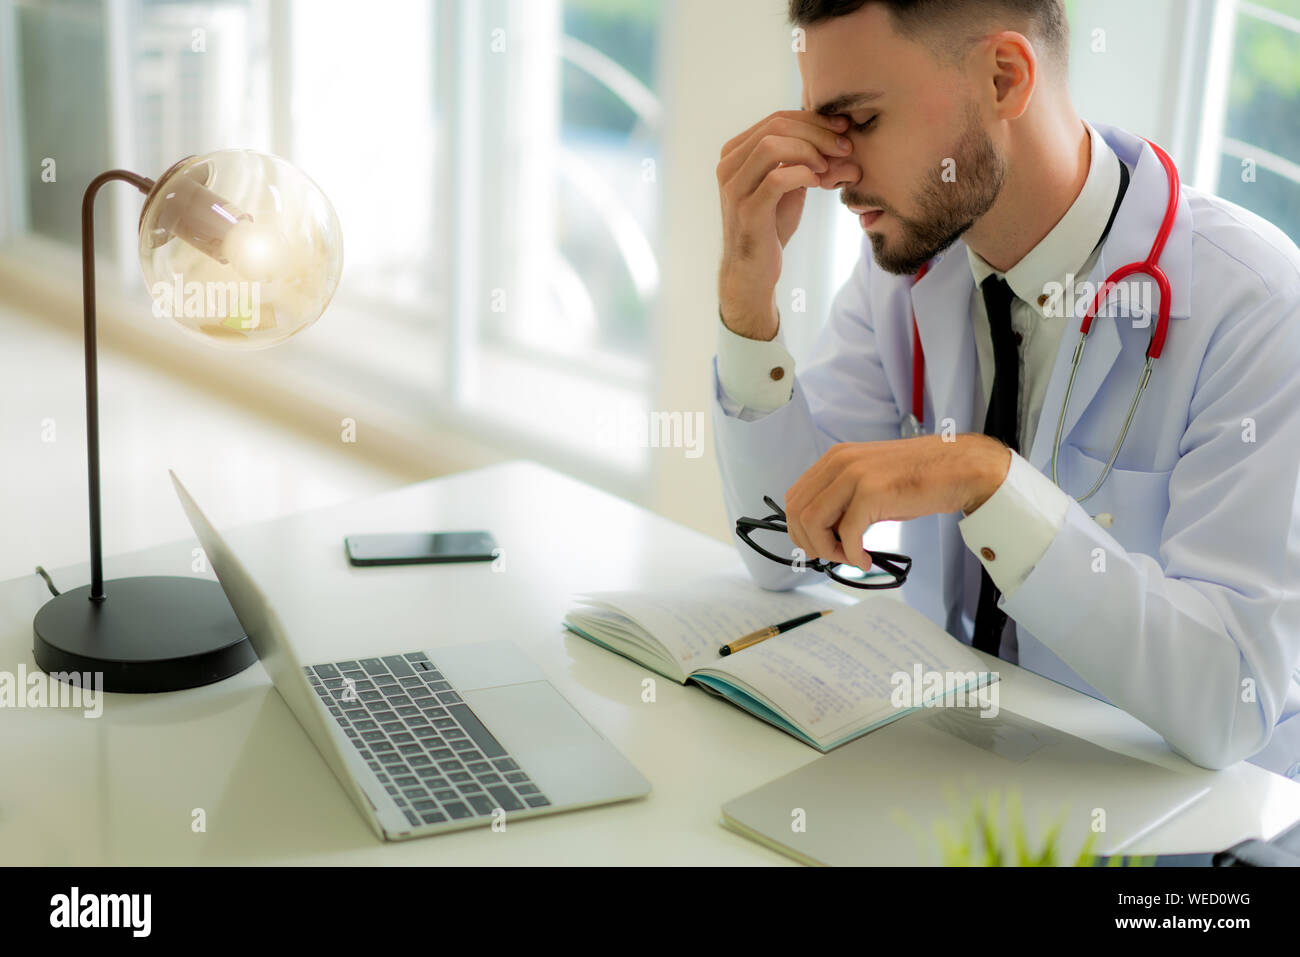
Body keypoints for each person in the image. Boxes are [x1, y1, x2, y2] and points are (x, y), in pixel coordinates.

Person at [711, 0, 1300, 774]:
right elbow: (786, 550)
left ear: (1004, 77)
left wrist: (988, 480)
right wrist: (748, 303)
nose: (838, 173)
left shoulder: (1257, 304)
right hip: (956, 776)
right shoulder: (912, 267)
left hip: (1175, 835)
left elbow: (1236, 700)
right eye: (824, 130)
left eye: (861, 120)